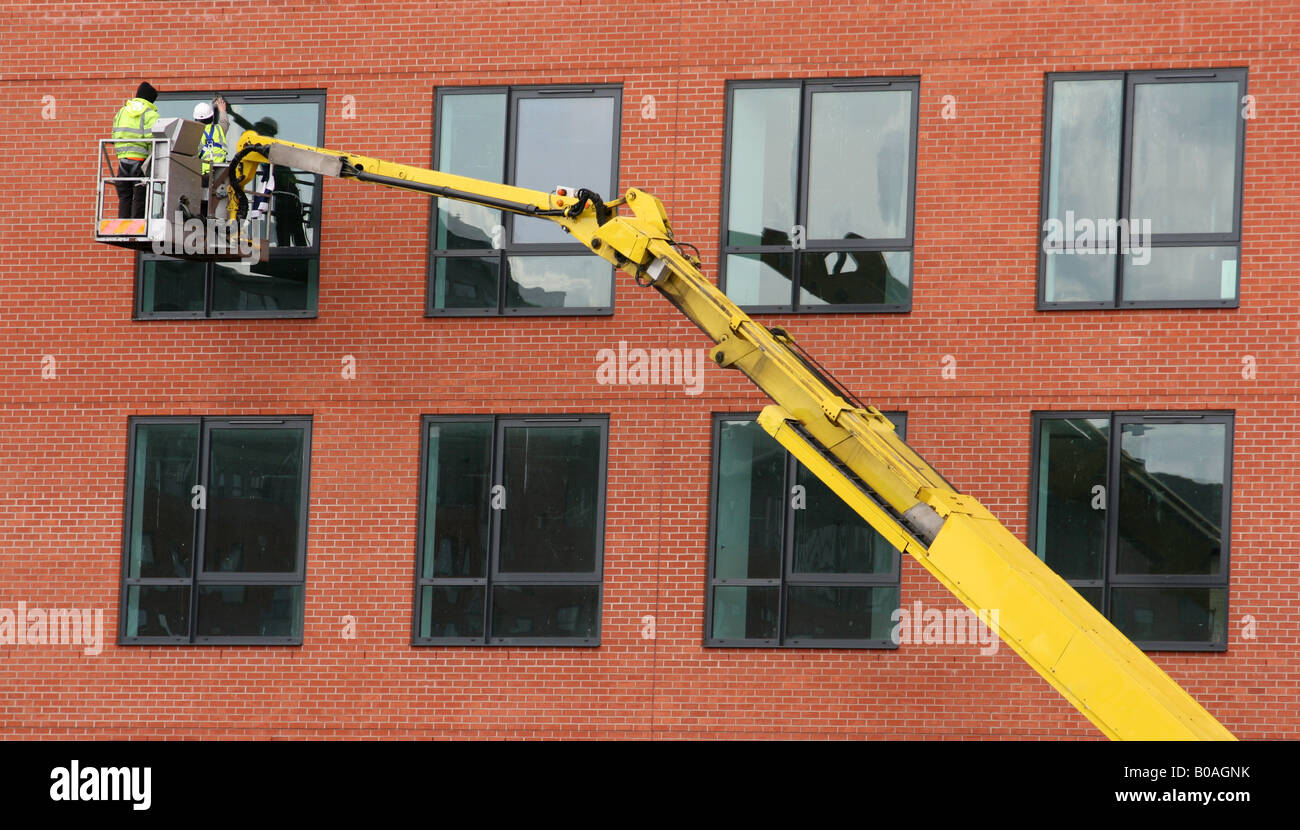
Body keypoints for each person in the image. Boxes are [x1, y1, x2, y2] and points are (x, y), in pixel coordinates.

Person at [110, 82, 159, 218]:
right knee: (140, 196)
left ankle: (123, 225)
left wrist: (122, 153)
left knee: (124, 196)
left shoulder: (122, 111)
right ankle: (137, 226)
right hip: (140, 161)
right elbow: (152, 139)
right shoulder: (150, 114)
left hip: (123, 160)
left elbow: (114, 134)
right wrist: (151, 157)